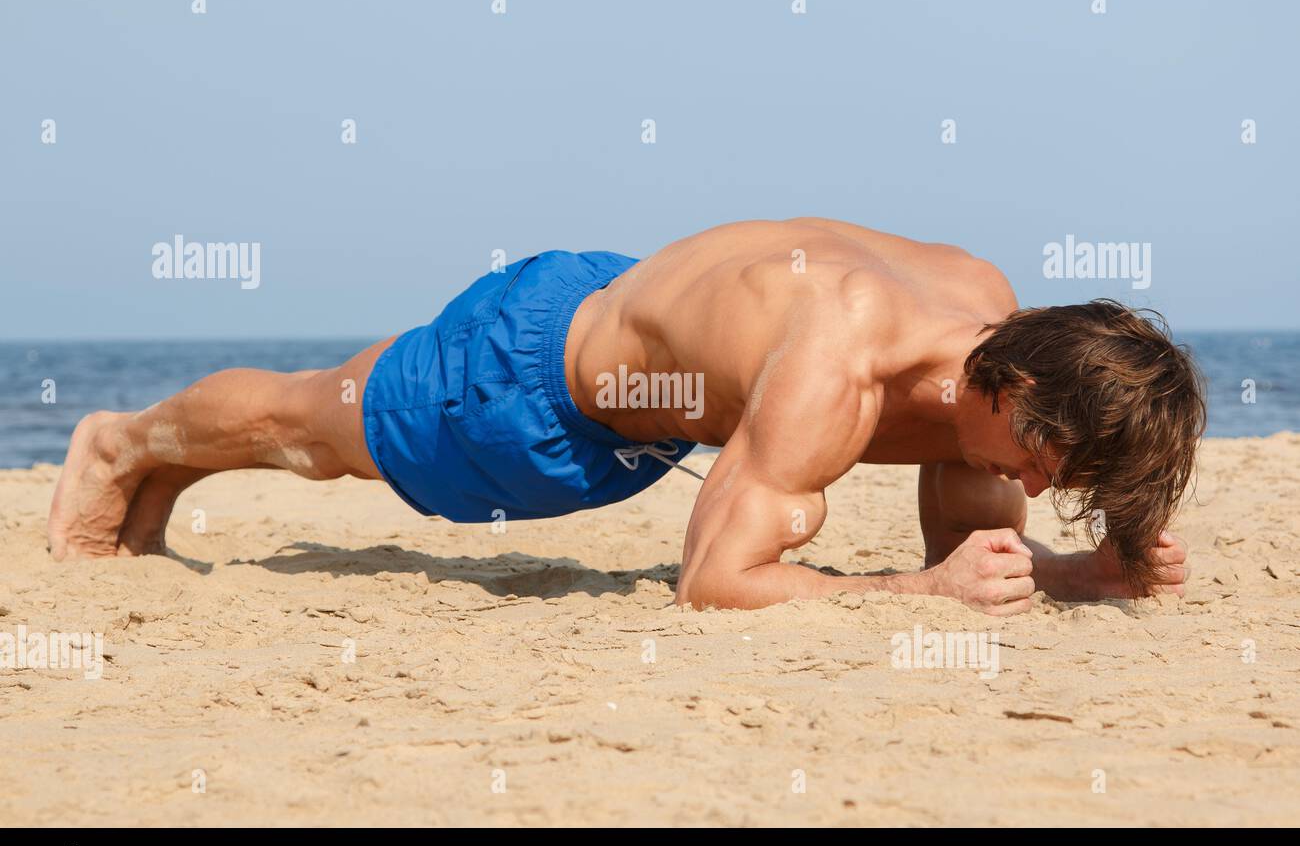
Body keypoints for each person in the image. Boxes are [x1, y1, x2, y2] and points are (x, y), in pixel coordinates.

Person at [48, 218, 1206, 615]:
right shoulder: (838, 365)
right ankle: (128, 440)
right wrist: (911, 598)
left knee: (324, 424)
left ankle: (165, 469)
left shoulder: (986, 321)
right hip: (537, 382)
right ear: (1003, 387)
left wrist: (1076, 569)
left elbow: (971, 528)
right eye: (1047, 459)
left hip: (649, 349)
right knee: (316, 432)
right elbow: (711, 582)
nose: (1041, 487)